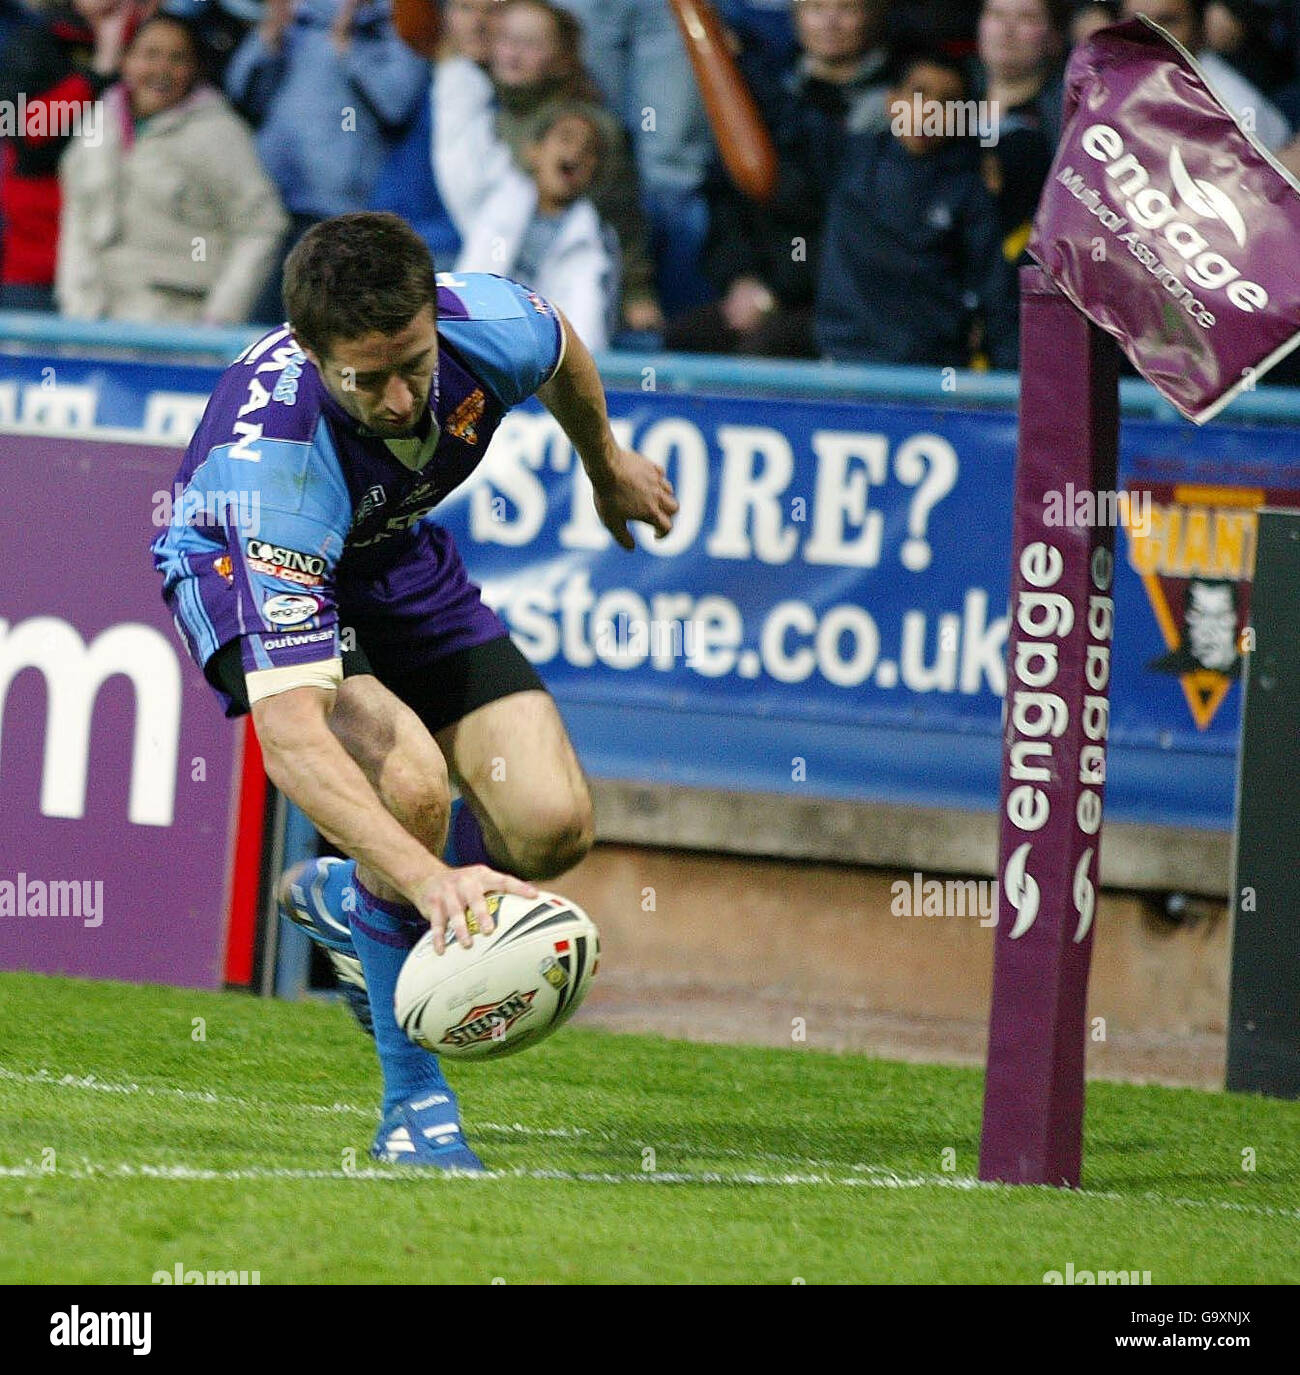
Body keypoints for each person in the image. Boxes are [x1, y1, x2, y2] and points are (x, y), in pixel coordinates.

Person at [150, 211, 678, 1169]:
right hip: (247, 569)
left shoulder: (483, 325)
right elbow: (294, 736)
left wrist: (607, 467)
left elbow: (559, 345)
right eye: (368, 379)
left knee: (552, 824)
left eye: (415, 365)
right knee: (413, 788)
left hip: (392, 558)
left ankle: (356, 896)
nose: (401, 399)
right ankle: (412, 1105)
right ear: (314, 357)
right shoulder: (276, 467)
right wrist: (435, 880)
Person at [666, 0, 893, 358]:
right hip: (760, 288)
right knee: (685, 340)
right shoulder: (765, 90)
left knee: (766, 349)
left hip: (844, 302)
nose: (830, 23)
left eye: (846, 9)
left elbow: (850, 223)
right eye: (816, 8)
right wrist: (741, 279)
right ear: (797, 18)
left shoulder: (893, 108)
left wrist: (776, 292)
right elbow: (726, 200)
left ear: (871, 17)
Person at [57, 13, 287, 323]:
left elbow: (263, 224)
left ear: (194, 69)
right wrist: (77, 308)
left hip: (182, 325)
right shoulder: (99, 123)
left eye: (177, 58)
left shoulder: (219, 132)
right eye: (149, 54)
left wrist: (219, 318)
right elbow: (78, 221)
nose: (161, 69)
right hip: (96, 325)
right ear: (125, 60)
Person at [225, 0, 429, 321]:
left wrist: (349, 49)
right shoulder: (291, 22)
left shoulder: (393, 28)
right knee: (254, 329)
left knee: (319, 325)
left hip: (338, 215)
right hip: (269, 210)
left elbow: (397, 104)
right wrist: (269, 40)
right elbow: (240, 94)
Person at [815, 49, 1019, 369]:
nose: (930, 111)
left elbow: (997, 298)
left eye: (948, 101)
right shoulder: (843, 161)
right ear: (892, 102)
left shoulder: (970, 192)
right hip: (843, 361)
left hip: (932, 373)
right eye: (919, 93)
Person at [485, 0, 662, 333]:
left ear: (562, 59)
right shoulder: (479, 104)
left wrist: (637, 292)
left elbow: (622, 218)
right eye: (506, 39)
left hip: (565, 289)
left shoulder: (585, 129)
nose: (513, 54)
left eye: (530, 44)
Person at [435, 53, 618, 349]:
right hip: (469, 351)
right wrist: (456, 60)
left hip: (542, 372)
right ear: (534, 152)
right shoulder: (492, 197)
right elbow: (457, 142)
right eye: (566, 138)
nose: (576, 154)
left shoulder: (596, 241)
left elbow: (589, 335)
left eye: (589, 151)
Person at [0, 0, 137, 311]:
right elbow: (28, 132)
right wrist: (97, 73)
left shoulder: (150, 41)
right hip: (39, 258)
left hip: (121, 261)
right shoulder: (36, 39)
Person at [1121, 0, 1291, 147]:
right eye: (1134, 22)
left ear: (1199, 28)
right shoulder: (1104, 85)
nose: (1147, 35)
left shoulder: (1237, 112)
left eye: (1167, 22)